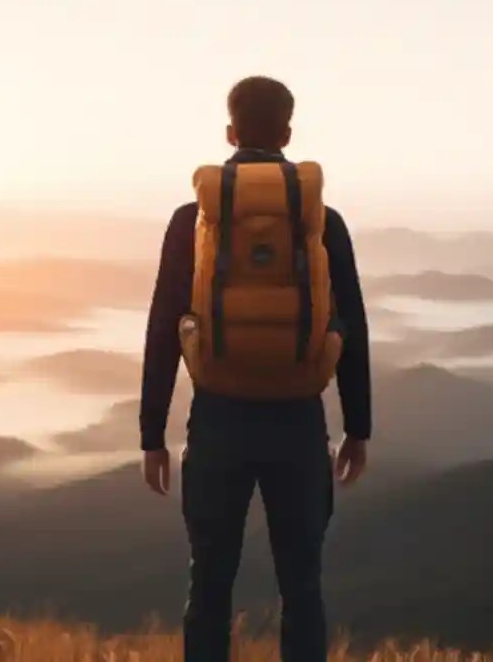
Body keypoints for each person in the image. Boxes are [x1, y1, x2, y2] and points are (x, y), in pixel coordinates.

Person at [138, 75, 372, 661]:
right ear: (288, 133)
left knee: (210, 584)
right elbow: (353, 324)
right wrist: (358, 427)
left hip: (218, 420)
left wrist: (152, 434)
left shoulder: (193, 221)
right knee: (302, 586)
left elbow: (166, 324)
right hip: (298, 421)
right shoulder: (323, 220)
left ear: (230, 132)